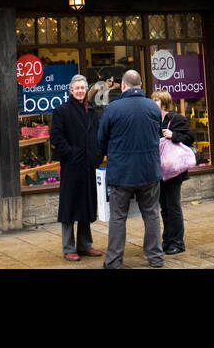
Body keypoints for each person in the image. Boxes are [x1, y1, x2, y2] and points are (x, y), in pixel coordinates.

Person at [97, 69, 163, 269]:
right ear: (140, 85)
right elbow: (157, 133)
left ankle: (114, 261)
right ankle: (156, 258)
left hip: (121, 173)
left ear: (123, 86)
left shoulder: (113, 109)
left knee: (118, 218)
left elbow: (101, 140)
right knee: (151, 214)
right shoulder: (153, 107)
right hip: (149, 171)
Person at [49, 74, 104, 261]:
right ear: (71, 90)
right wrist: (71, 154)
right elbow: (56, 138)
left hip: (89, 166)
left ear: (86, 90)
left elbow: (98, 136)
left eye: (83, 88)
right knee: (69, 207)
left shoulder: (91, 111)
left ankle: (85, 245)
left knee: (86, 205)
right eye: (77, 88)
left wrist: (97, 155)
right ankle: (68, 247)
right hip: (72, 167)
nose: (80, 91)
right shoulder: (61, 111)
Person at [152, 89, 194, 255]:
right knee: (164, 207)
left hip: (174, 171)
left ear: (164, 102)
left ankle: (178, 242)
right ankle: (167, 240)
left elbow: (190, 137)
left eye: (156, 100)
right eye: (152, 99)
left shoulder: (176, 119)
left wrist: (173, 135)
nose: (153, 102)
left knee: (174, 206)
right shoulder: (153, 120)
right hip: (160, 170)